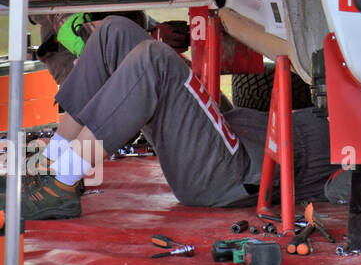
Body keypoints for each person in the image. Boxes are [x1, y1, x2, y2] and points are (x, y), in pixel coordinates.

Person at [4, 15, 334, 220]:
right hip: (245, 136)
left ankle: (60, 181)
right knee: (115, 32)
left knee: (154, 60)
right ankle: (48, 167)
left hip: (237, 176)